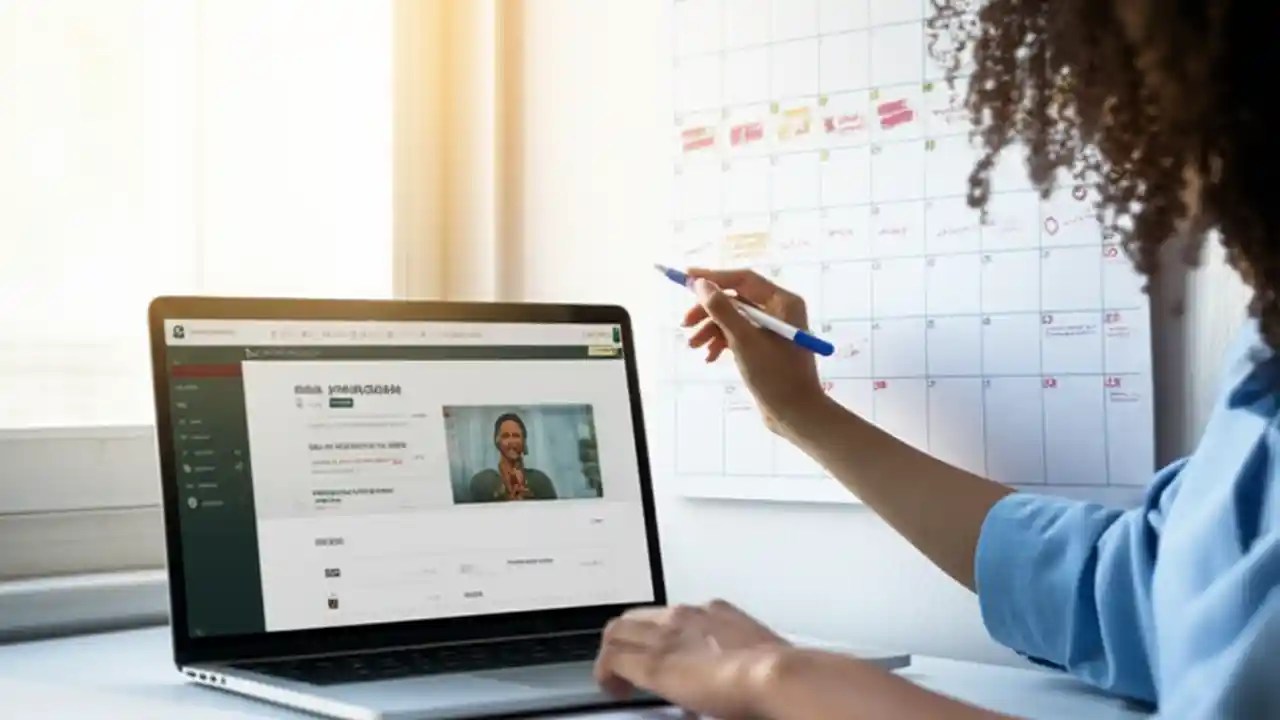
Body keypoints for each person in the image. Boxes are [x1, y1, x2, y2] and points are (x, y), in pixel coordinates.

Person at [593, 1, 1280, 717]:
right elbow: (1143, 589)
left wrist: (781, 682)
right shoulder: (1266, 345)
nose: (1105, 129)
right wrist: (801, 413)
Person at [468, 413, 558, 502]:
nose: (511, 442)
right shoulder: (483, 481)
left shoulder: (540, 481)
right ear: (497, 441)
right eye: (506, 436)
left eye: (516, 436)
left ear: (524, 441)